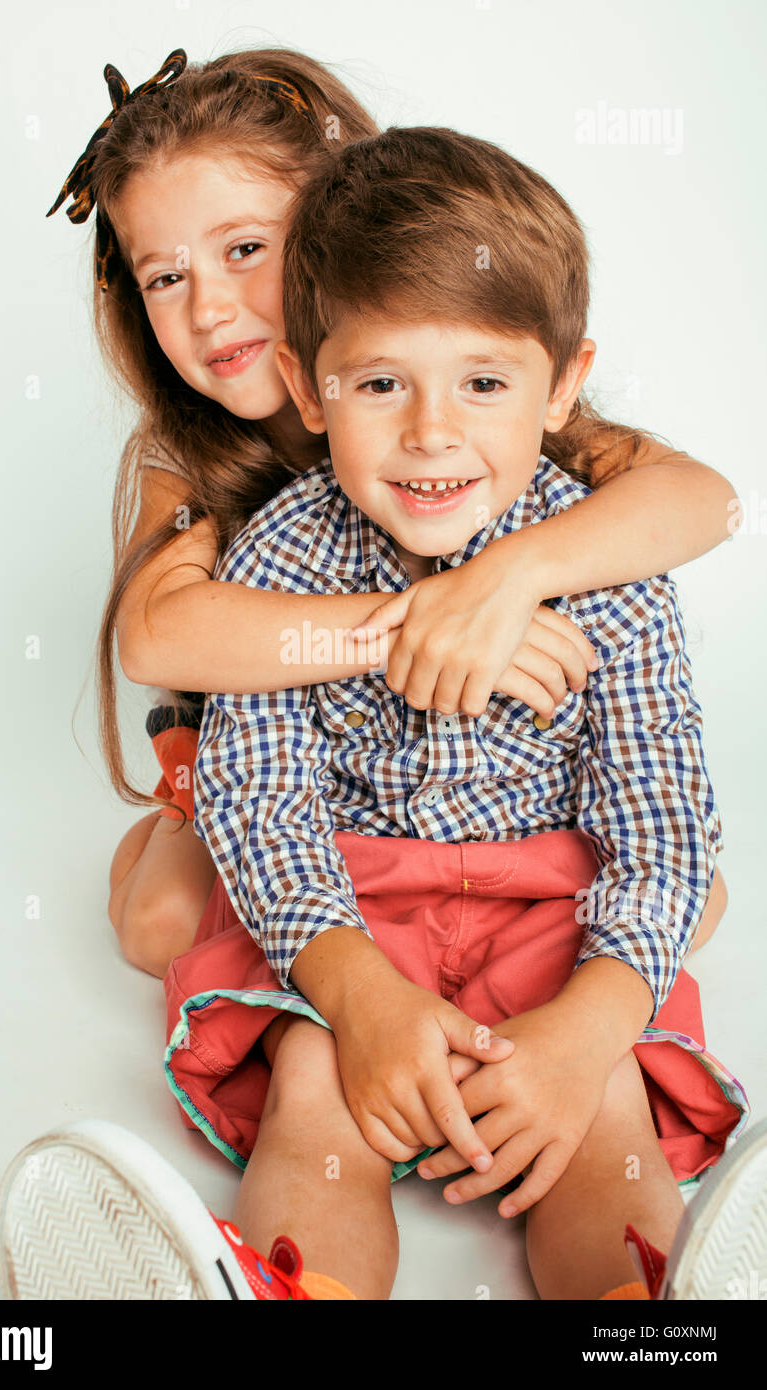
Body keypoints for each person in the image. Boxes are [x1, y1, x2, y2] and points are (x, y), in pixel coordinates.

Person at [148, 125, 748, 1301]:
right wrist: (356, 991)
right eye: (379, 384)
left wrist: (582, 1029)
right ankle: (286, 1286)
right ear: (313, 390)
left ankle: (649, 1307)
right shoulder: (280, 552)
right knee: (315, 1078)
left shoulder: (603, 558)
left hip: (547, 905)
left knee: (606, 1095)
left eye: (482, 381)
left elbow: (661, 816)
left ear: (563, 384)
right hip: (352, 898)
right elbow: (262, 802)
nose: (430, 431)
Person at [44, 47, 733, 980]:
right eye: (165, 277)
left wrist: (504, 582)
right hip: (281, 753)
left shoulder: (470, 400)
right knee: (163, 923)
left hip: (482, 765)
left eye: (245, 249)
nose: (210, 309)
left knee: (691, 906)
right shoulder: (185, 450)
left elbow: (705, 499)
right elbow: (158, 636)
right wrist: (414, 627)